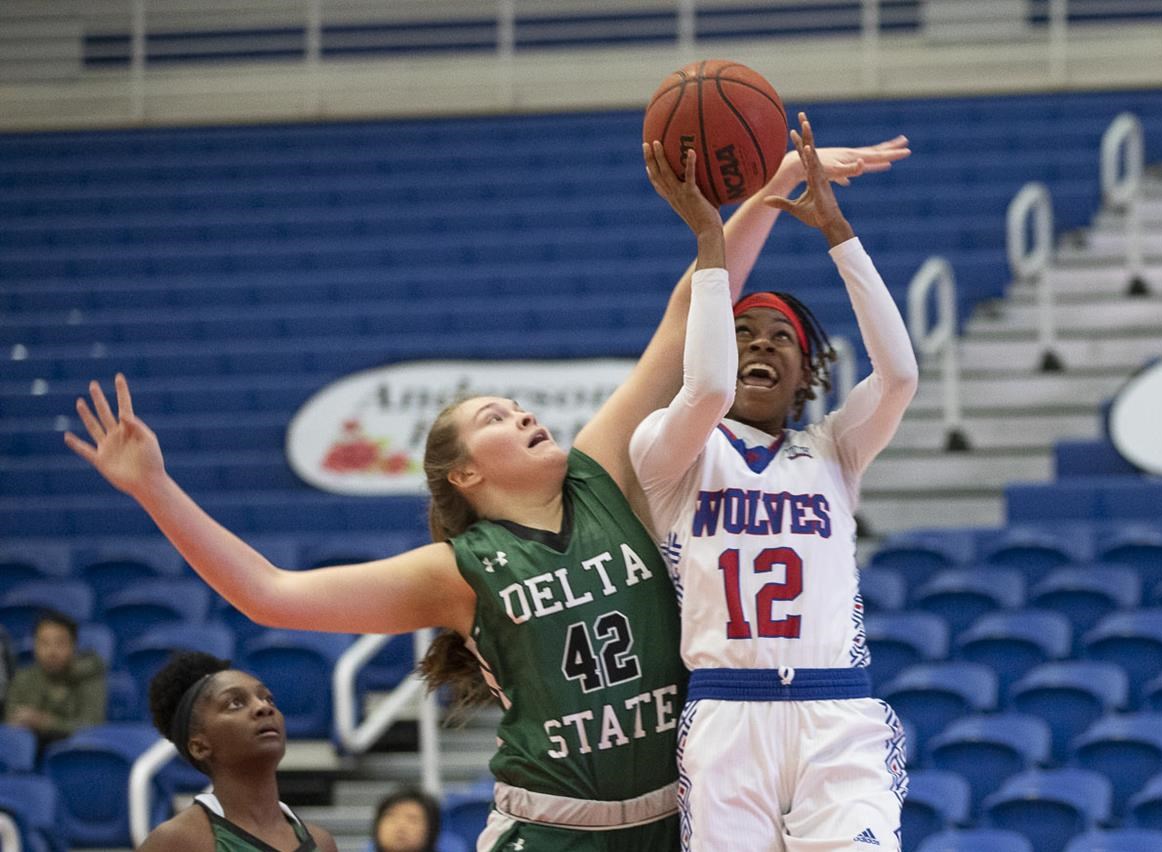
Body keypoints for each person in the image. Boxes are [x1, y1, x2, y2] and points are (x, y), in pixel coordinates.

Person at [65, 134, 909, 851]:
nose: (526, 414)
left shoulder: (603, 470)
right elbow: (268, 593)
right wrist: (154, 488)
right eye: (498, 417)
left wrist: (774, 187)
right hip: (549, 829)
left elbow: (694, 302)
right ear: (464, 473)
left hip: (669, 816)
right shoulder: (459, 570)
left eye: (521, 404)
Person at [630, 113, 919, 850]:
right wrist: (710, 244)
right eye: (744, 332)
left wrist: (838, 233)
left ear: (807, 369)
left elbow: (900, 376)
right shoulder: (670, 450)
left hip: (837, 715)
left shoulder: (834, 451)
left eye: (781, 337)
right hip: (729, 720)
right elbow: (703, 392)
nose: (761, 343)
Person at [137, 651, 339, 851]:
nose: (263, 707)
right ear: (199, 746)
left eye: (268, 699)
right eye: (235, 703)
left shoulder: (322, 842)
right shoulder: (177, 841)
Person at [4, 609, 106, 757]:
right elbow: (11, 723)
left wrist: (44, 722)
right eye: (44, 643)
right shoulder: (23, 677)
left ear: (74, 645)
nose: (51, 652)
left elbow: (92, 727)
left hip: (76, 756)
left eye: (60, 643)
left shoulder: (90, 676)